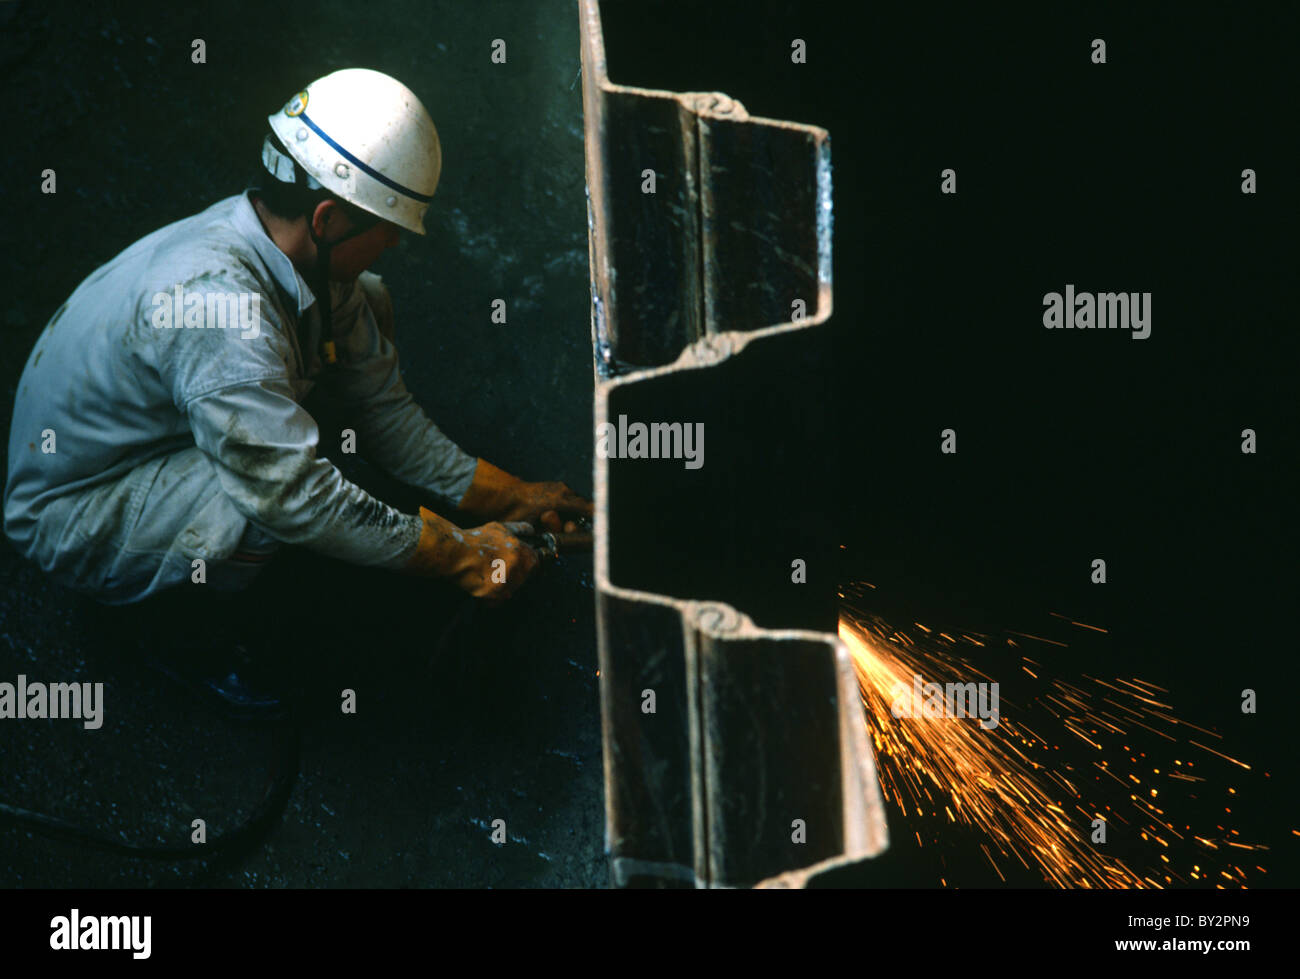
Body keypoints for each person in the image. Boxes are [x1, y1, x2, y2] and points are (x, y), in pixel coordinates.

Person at [4, 67, 592, 617]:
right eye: (388, 230)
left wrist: (503, 496)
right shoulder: (218, 309)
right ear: (329, 219)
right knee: (262, 503)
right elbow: (288, 493)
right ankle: (207, 635)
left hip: (157, 436)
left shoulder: (292, 247)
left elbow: (382, 408)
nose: (394, 244)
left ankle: (299, 500)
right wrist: (460, 553)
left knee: (369, 300)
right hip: (78, 507)